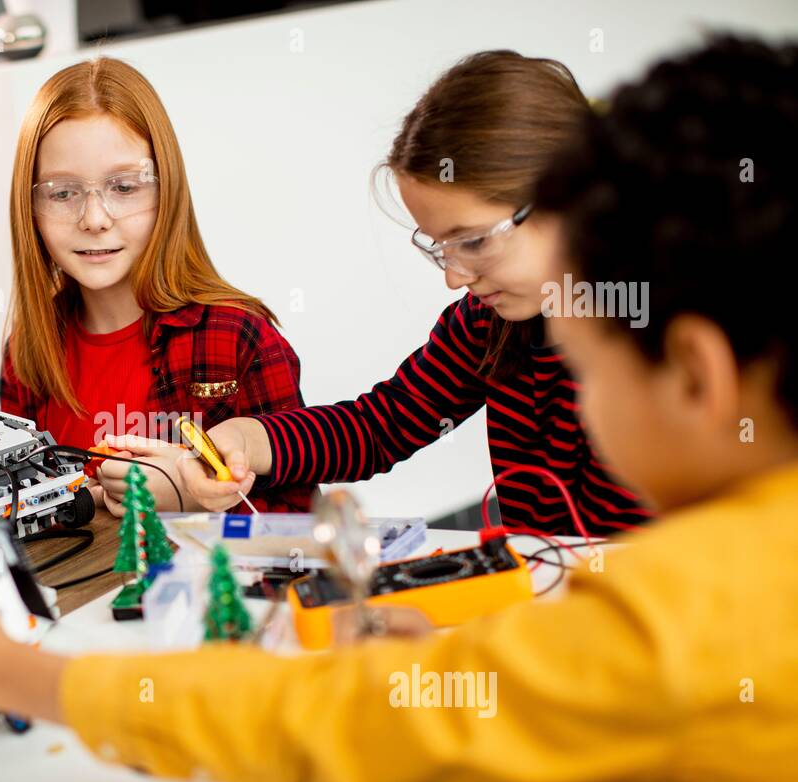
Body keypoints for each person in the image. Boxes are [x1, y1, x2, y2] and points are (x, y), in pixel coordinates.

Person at [0, 36, 798, 782]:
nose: (458, 277)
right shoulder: (714, 565)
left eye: (593, 369)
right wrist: (260, 442)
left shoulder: (669, 623)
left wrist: (7, 673)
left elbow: (321, 722)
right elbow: (384, 422)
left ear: (695, 377)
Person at [175, 51, 652, 537]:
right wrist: (248, 439)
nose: (455, 277)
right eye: (441, 248)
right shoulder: (488, 325)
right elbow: (379, 428)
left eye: (473, 241)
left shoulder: (660, 335)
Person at [0, 57, 311, 514]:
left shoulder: (238, 339)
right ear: (30, 207)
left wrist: (189, 499)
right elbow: (22, 518)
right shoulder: (27, 353)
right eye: (62, 193)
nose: (95, 219)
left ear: (167, 191)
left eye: (124, 187)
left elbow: (298, 530)